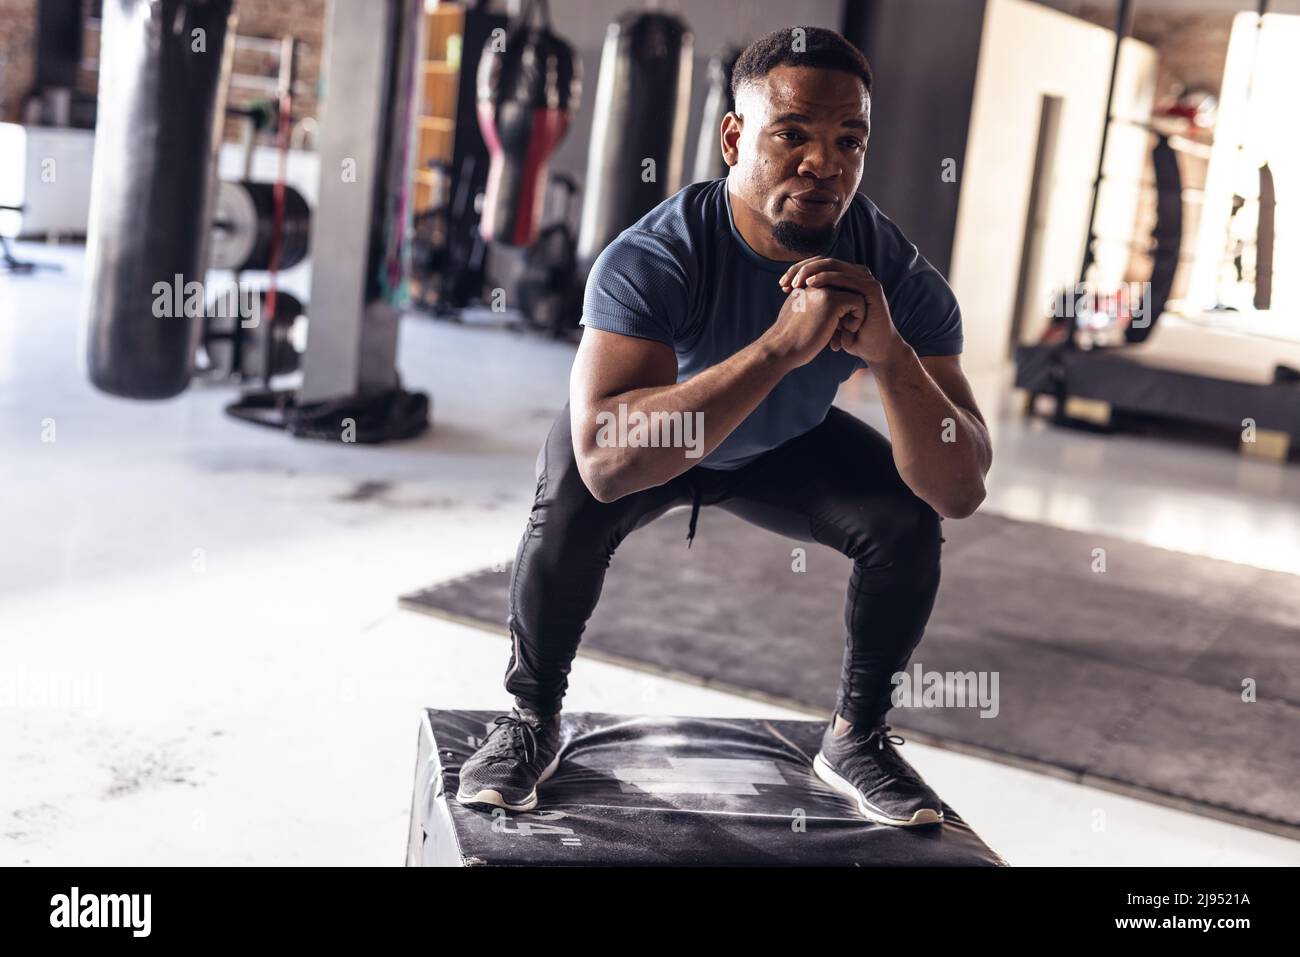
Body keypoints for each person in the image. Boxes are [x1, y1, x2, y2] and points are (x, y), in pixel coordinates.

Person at [456, 25, 992, 826]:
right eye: (793, 135)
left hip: (782, 445)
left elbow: (961, 484)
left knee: (906, 516)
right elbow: (608, 460)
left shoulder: (891, 269)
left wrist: (889, 356)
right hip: (660, 440)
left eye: (851, 140)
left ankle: (857, 735)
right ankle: (532, 716)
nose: (825, 164)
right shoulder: (656, 256)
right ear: (735, 137)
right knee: (572, 482)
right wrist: (781, 347)